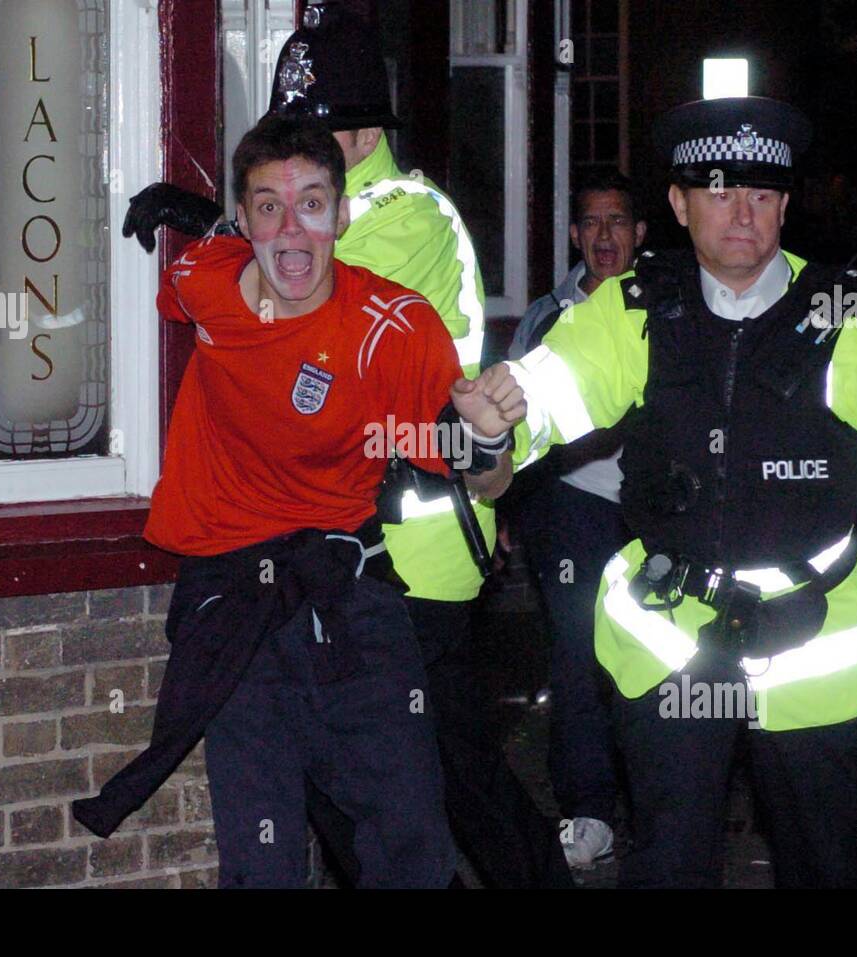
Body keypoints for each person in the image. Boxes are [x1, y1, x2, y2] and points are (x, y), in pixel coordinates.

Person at [495, 96, 857, 887]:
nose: (743, 214)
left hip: (818, 645)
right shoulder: (634, 305)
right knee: (668, 862)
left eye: (762, 195)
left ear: (785, 206)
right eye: (722, 191)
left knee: (834, 864)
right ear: (678, 202)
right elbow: (552, 387)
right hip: (671, 645)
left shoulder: (842, 315)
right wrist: (499, 413)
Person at [118, 3, 571, 887]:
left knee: (442, 783)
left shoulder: (408, 219)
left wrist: (219, 228)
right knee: (374, 790)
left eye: (314, 130)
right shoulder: (341, 211)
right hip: (341, 544)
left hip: (417, 546)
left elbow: (302, 294)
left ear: (359, 134)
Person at [503, 169, 647, 867]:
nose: (604, 236)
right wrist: (507, 504)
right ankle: (587, 808)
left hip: (655, 512)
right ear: (574, 235)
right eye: (591, 223)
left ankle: (663, 796)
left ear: (641, 233)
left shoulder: (666, 306)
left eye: (618, 221)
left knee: (659, 659)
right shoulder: (547, 315)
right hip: (574, 506)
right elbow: (511, 419)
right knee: (577, 650)